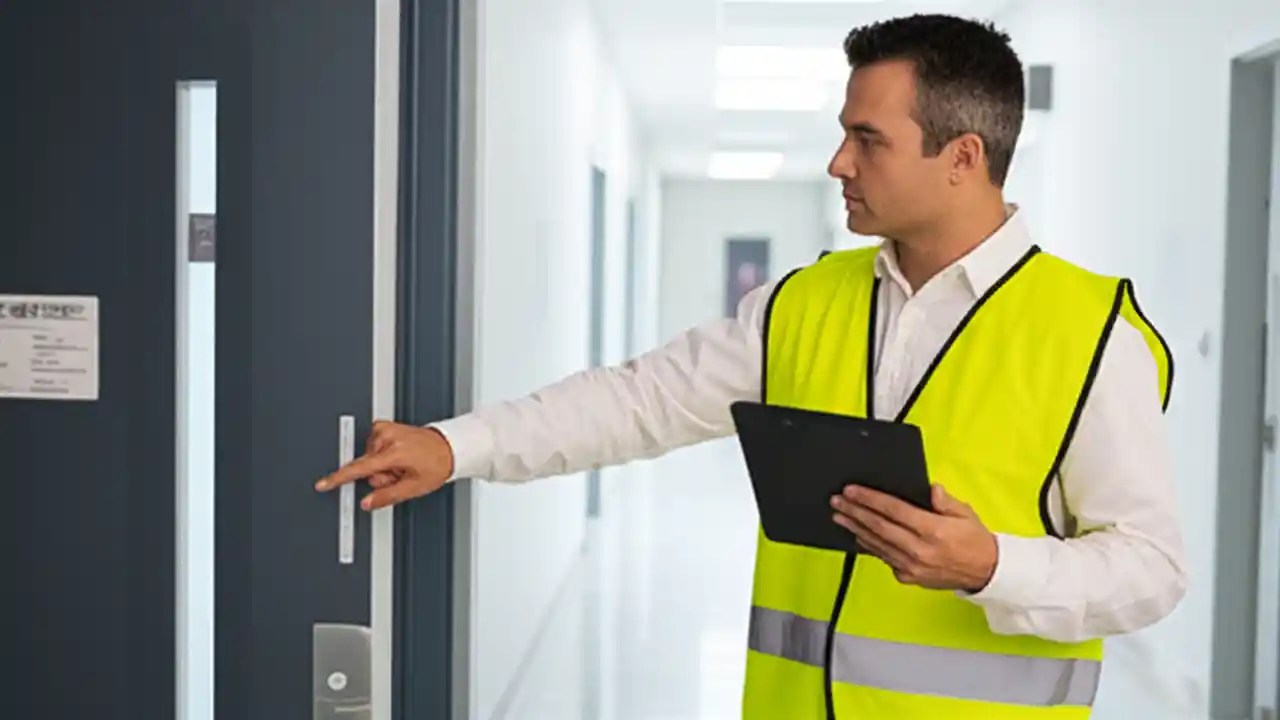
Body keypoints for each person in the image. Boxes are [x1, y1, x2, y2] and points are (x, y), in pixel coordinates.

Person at [316, 13, 1186, 720]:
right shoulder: (803, 302)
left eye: (867, 139)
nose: (839, 162)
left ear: (962, 157)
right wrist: (455, 445)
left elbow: (1150, 568)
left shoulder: (1092, 333)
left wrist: (994, 565)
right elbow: (638, 402)